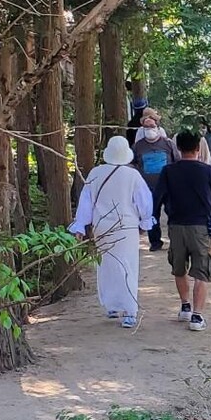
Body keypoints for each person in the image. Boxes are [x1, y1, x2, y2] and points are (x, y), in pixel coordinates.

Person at [69, 136, 154, 328]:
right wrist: (145, 222)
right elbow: (144, 201)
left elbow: (86, 201)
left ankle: (111, 305)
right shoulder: (133, 175)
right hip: (126, 226)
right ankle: (130, 311)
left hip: (102, 226)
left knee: (106, 265)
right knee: (128, 266)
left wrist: (81, 225)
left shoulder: (95, 173)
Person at [161, 130, 211, 331]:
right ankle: (197, 317)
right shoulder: (208, 172)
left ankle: (185, 306)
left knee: (178, 267)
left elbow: (158, 197)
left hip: (176, 226)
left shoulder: (168, 171)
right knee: (202, 270)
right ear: (198, 148)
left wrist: (155, 223)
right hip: (200, 228)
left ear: (178, 148)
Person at [133, 111, 178, 250]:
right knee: (152, 215)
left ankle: (176, 242)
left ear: (157, 127)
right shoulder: (138, 146)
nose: (149, 130)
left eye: (151, 126)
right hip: (148, 188)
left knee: (173, 213)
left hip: (169, 186)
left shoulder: (168, 144)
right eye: (146, 127)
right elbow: (133, 163)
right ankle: (155, 242)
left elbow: (177, 161)